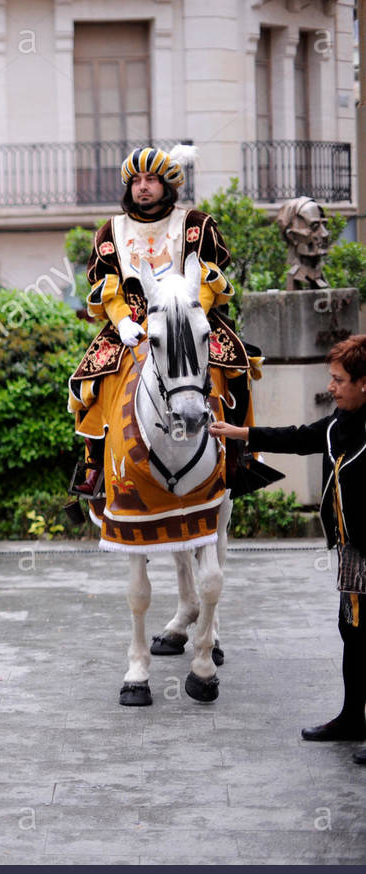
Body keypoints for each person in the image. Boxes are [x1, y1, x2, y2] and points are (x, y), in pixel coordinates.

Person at [210, 335, 366, 764]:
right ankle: (354, 718)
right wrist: (240, 432)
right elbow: (299, 438)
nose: (331, 388)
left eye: (338, 380)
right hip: (354, 552)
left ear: (364, 383)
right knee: (352, 633)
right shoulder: (339, 424)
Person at [67, 144, 255, 496]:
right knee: (89, 380)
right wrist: (122, 321)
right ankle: (95, 469)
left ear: (167, 184)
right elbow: (107, 289)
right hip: (133, 322)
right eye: (136, 180)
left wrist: (185, 310)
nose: (142, 186)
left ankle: (238, 458)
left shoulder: (196, 225)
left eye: (151, 179)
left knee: (236, 365)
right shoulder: (111, 232)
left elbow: (208, 278)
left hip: (189, 314)